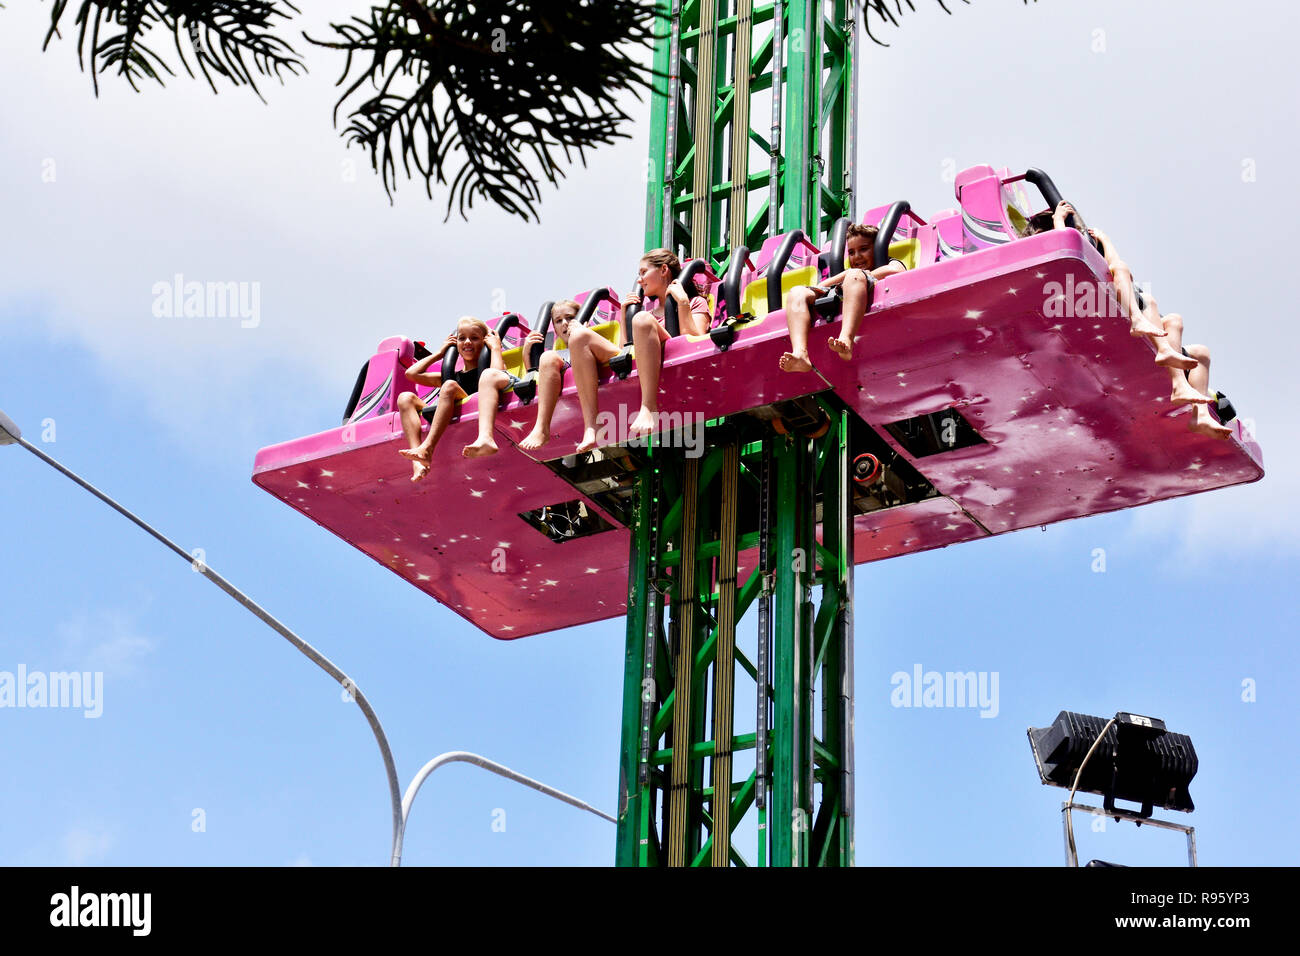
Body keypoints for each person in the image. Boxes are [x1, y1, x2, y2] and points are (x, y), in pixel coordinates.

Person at [395, 316, 515, 481]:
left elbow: (497, 374)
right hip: (451, 412)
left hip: (474, 406)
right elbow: (411, 374)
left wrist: (495, 348)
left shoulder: (489, 369)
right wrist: (439, 354)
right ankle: (418, 462)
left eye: (474, 338)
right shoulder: (451, 376)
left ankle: (428, 447)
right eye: (462, 338)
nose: (467, 342)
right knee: (405, 398)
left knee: (449, 386)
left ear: (484, 342)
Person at [778, 223, 906, 373]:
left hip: (866, 285)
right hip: (844, 288)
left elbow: (898, 270)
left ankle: (846, 339)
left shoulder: (887, 263)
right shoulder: (850, 273)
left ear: (878, 248)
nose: (857, 256)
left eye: (863, 249)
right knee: (796, 292)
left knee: (854, 275)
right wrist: (845, 276)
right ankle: (800, 353)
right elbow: (822, 285)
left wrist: (857, 274)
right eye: (851, 252)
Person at [519, 299, 627, 454]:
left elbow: (625, 352)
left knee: (579, 338)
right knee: (546, 357)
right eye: (558, 321)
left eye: (570, 318)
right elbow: (537, 380)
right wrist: (527, 352)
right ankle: (541, 429)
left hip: (603, 359)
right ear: (555, 330)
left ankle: (592, 425)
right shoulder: (559, 356)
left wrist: (623, 315)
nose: (564, 323)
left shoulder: (591, 338)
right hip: (570, 363)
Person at [625, 249, 713, 437]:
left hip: (684, 367)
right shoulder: (646, 317)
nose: (639, 280)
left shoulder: (695, 302)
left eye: (643, 272)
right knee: (640, 319)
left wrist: (682, 303)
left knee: (641, 320)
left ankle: (648, 407)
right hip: (652, 370)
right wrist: (624, 314)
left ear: (663, 270)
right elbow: (627, 352)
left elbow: (695, 340)